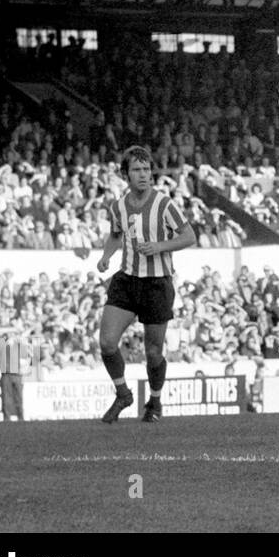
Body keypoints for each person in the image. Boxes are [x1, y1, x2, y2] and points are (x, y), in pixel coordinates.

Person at [94, 146, 196, 422]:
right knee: (107, 343)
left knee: (153, 352)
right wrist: (106, 256)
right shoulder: (119, 206)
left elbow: (189, 236)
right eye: (137, 170)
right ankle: (123, 393)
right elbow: (116, 235)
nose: (144, 174)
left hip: (157, 284)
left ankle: (155, 401)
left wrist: (160, 246)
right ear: (126, 174)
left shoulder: (164, 204)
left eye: (147, 169)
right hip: (126, 280)